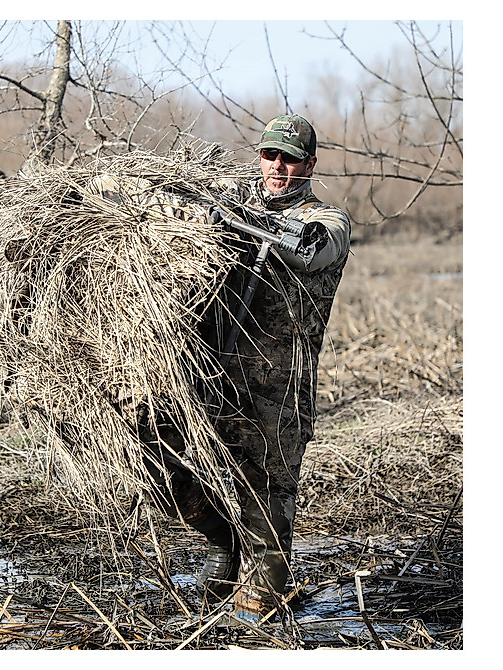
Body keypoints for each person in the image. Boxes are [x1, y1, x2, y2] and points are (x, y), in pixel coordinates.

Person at [140, 114, 352, 620]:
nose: (278, 167)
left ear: (310, 165)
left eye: (290, 159)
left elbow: (309, 251)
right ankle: (221, 541)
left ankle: (257, 621)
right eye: (269, 155)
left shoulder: (329, 222)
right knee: (153, 455)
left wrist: (231, 217)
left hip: (277, 393)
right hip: (208, 376)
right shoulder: (231, 199)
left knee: (267, 506)